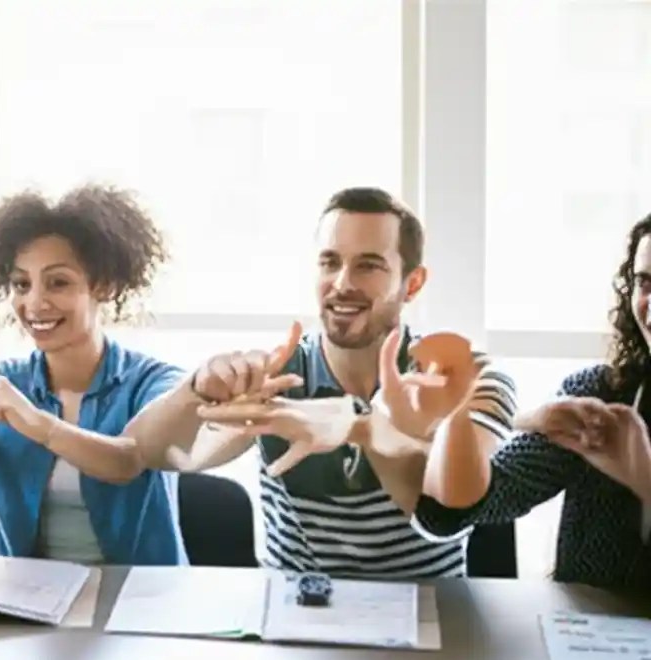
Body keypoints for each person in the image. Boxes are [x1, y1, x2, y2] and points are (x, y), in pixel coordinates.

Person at [124, 187, 518, 578]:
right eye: (330, 263)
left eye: (368, 266)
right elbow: (147, 452)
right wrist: (195, 389)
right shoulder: (276, 377)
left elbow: (457, 499)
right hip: (299, 603)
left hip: (430, 602)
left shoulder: (466, 378)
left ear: (412, 284)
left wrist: (364, 427)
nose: (342, 283)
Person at [0, 184, 186, 565]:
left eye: (58, 282)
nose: (34, 303)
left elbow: (127, 461)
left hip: (138, 593)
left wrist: (36, 422)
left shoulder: (155, 383)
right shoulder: (3, 382)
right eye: (21, 284)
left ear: (105, 285)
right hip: (29, 593)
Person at [414, 212, 651, 591]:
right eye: (644, 283)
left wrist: (643, 480)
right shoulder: (602, 393)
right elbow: (483, 500)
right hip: (591, 628)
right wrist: (508, 419)